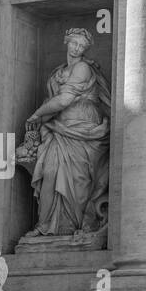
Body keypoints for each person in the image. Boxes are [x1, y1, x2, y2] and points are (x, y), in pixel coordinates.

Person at [22, 28, 111, 238]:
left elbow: (63, 100)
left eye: (82, 46)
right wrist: (44, 118)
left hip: (82, 127)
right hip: (59, 127)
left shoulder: (82, 68)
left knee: (77, 178)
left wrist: (37, 115)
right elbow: (57, 101)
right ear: (66, 42)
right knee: (50, 170)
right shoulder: (59, 71)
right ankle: (46, 225)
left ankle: (71, 226)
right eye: (74, 43)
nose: (77, 48)